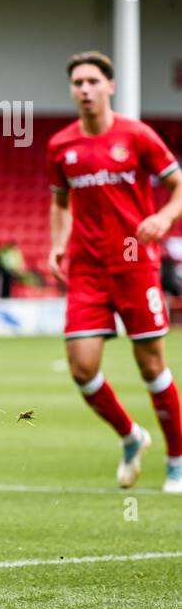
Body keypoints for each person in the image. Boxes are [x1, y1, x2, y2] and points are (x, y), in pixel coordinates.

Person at [48, 50, 182, 494]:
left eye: (92, 81)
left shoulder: (137, 135)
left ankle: (177, 461)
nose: (84, 89)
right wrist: (57, 243)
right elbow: (60, 201)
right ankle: (131, 436)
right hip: (87, 269)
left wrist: (164, 218)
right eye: (77, 83)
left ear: (110, 86)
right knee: (82, 368)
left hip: (135, 264)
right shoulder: (60, 146)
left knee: (151, 366)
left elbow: (177, 184)